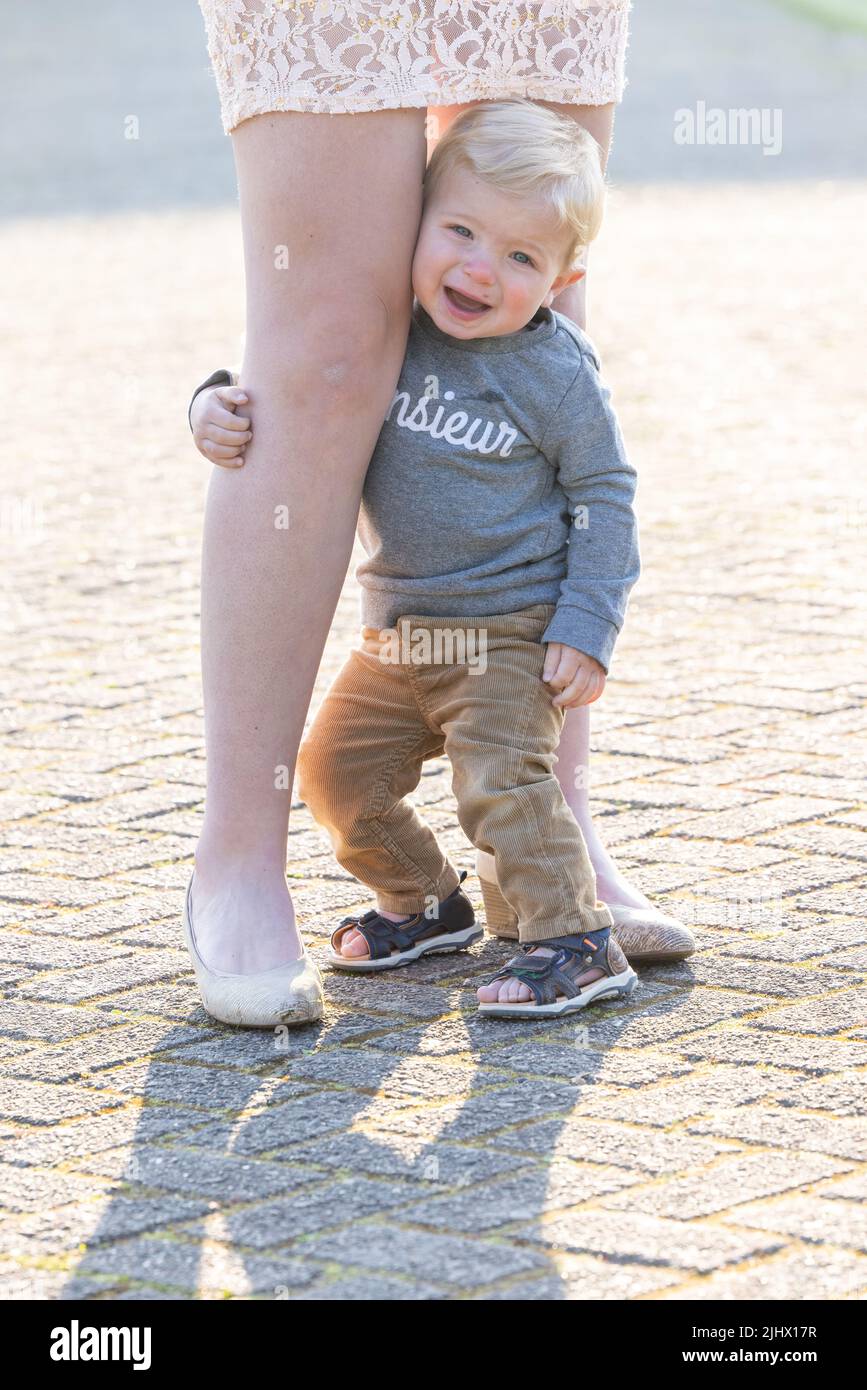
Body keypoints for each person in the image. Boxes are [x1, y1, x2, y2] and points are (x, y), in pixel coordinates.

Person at [188, 0, 693, 1029]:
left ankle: (549, 851)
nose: (472, 265)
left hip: (507, 633)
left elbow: (602, 487)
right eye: (451, 235)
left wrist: (588, 623)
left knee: (539, 322)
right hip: (409, 630)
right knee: (328, 338)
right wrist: (205, 402)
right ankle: (241, 855)